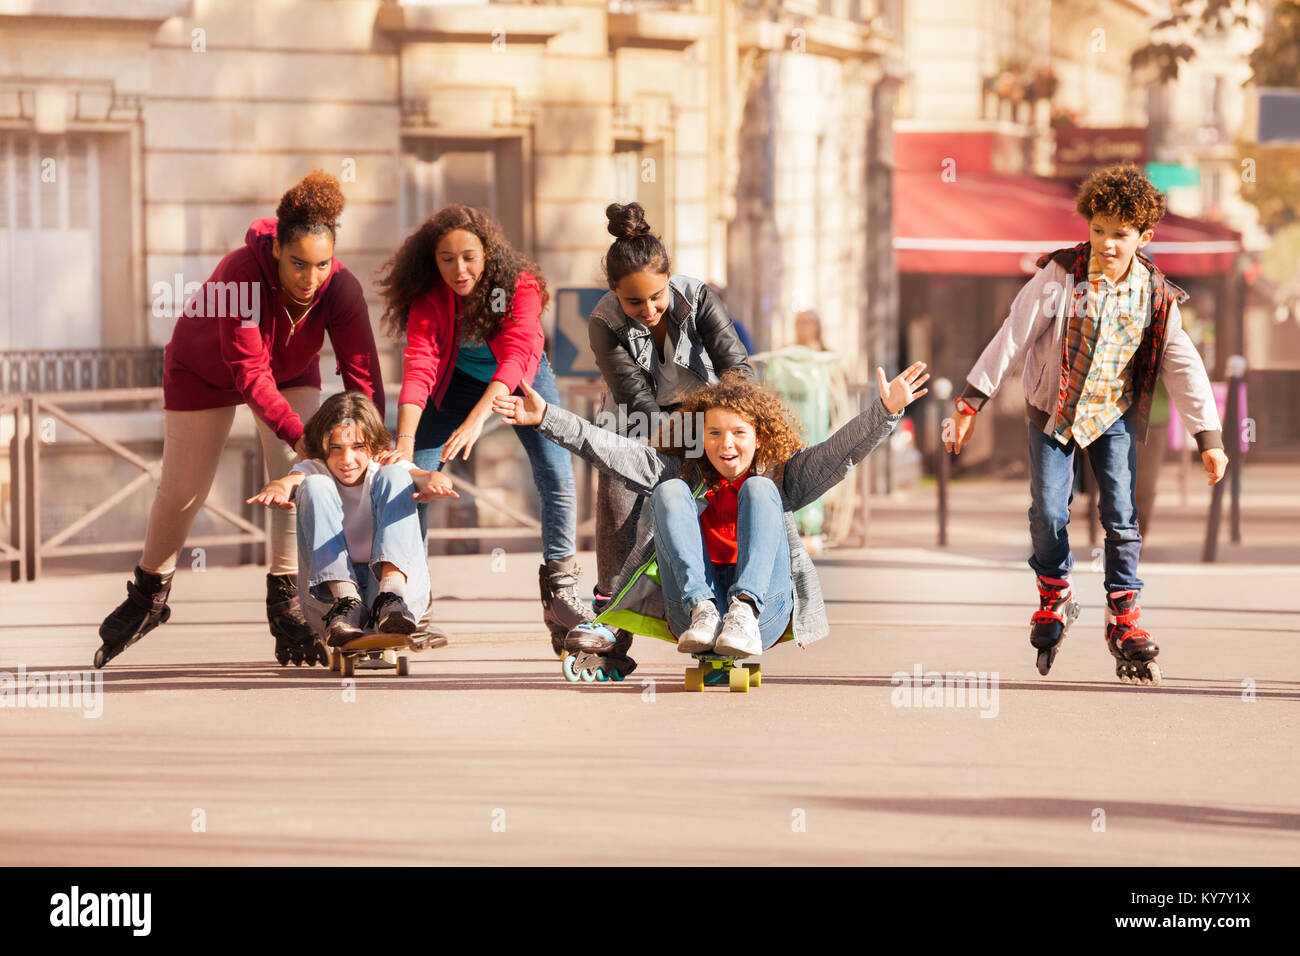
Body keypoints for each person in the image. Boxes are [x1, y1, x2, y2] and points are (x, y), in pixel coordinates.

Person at [945, 163, 1228, 684]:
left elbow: (1182, 364)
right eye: (1098, 230)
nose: (1106, 244)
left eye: (1119, 235)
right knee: (1049, 511)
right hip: (1051, 414)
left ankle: (1123, 614)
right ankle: (1055, 591)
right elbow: (1014, 335)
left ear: (1143, 237)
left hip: (1112, 417)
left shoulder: (1155, 297)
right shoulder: (1061, 275)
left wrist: (1207, 438)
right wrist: (969, 403)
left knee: (1121, 514)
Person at [95, 170, 385, 669]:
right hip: (202, 371)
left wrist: (374, 440)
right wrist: (308, 439)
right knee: (184, 489)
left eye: (321, 264)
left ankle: (286, 599)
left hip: (292, 370)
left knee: (298, 478)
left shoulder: (341, 289)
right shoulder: (240, 275)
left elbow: (363, 373)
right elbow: (250, 374)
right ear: (277, 250)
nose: (309, 279)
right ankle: (149, 594)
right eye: (298, 264)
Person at [494, 364, 929, 676]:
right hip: (690, 616)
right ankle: (704, 607)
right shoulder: (683, 471)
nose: (727, 446)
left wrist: (885, 411)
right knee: (668, 491)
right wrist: (546, 417)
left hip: (763, 617)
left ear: (760, 437)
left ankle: (742, 608)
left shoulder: (782, 476)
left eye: (740, 433)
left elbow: (839, 454)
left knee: (762, 491)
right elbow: (608, 448)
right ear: (701, 437)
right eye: (715, 434)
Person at [376, 205, 593, 647]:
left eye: (469, 256)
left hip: (522, 377)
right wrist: (404, 442)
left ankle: (562, 589)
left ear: (487, 252)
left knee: (556, 472)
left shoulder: (519, 285)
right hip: (454, 381)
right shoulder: (430, 296)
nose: (460, 269)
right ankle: (408, 595)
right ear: (433, 260)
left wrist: (479, 419)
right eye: (447, 258)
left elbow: (515, 355)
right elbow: (419, 366)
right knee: (408, 476)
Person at [585, 201, 753, 661]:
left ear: (670, 277)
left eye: (657, 296)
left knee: (712, 507)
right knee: (619, 511)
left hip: (706, 413)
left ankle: (722, 608)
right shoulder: (603, 321)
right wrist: (669, 444)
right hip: (633, 418)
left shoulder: (698, 297)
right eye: (633, 302)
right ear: (614, 293)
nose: (648, 309)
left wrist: (728, 428)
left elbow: (736, 368)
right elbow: (635, 400)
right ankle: (611, 622)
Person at [247, 391, 456, 648]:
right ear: (323, 449)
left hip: (399, 595)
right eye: (336, 449)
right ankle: (347, 601)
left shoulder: (385, 466)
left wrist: (437, 482)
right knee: (314, 486)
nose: (347, 460)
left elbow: (426, 476)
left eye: (358, 447)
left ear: (374, 447)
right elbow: (291, 480)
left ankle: (391, 596)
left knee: (395, 477)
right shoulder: (315, 468)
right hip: (330, 602)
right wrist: (278, 487)